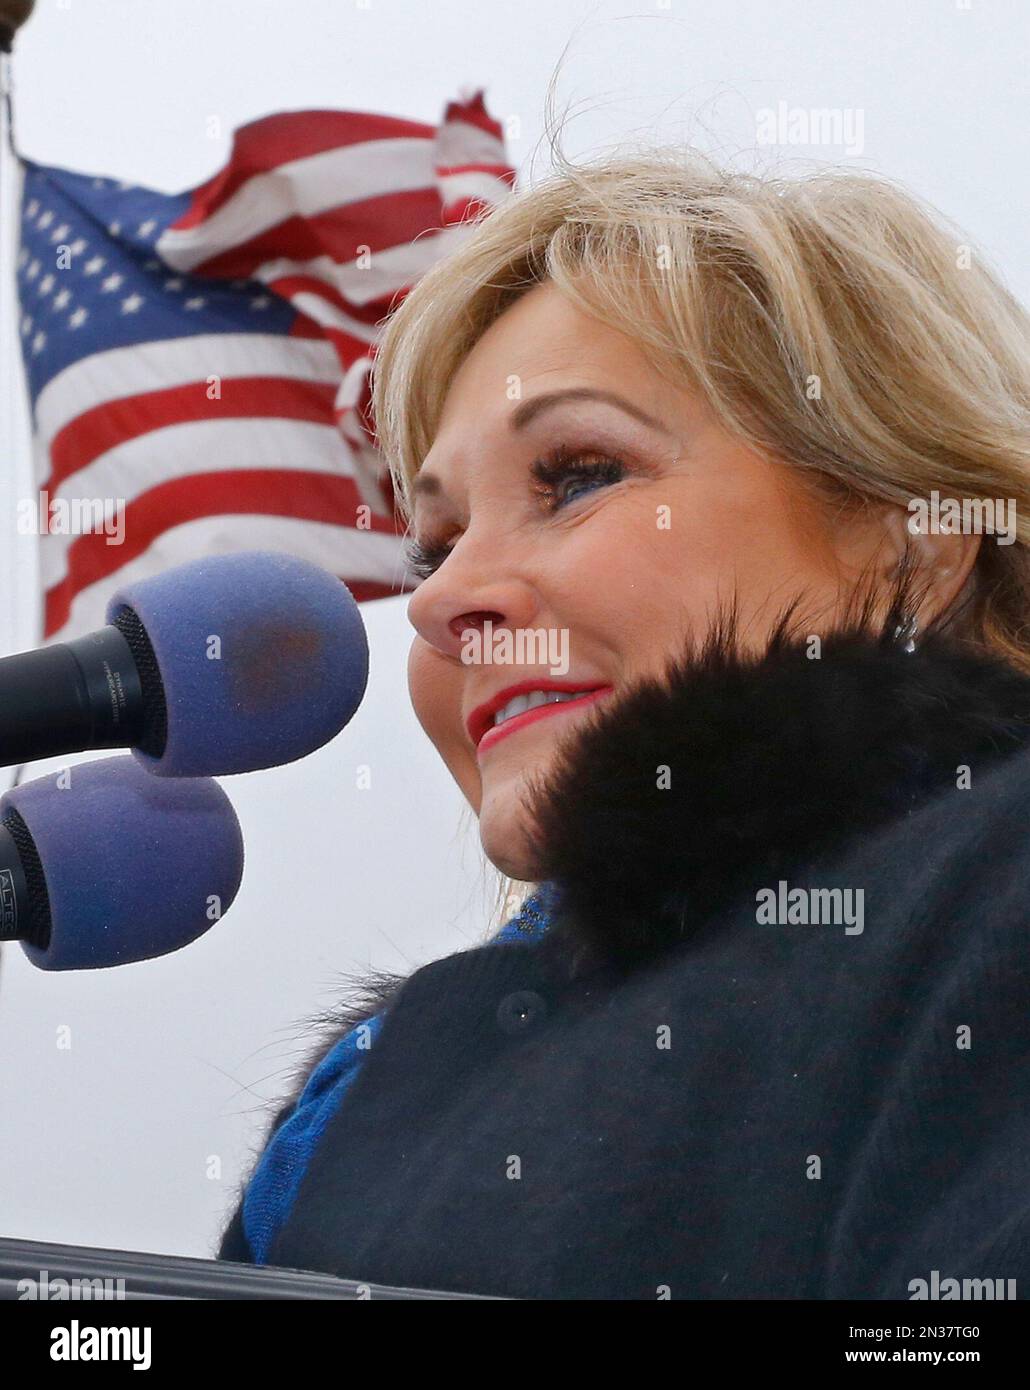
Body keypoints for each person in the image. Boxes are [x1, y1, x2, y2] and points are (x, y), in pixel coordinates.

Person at [217, 144, 1030, 1299]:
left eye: (578, 474)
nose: (440, 599)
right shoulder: (363, 1093)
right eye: (433, 544)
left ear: (914, 537)